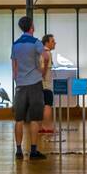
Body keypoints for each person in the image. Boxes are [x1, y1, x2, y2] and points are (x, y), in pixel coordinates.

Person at [10, 16, 47, 160]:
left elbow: (14, 65)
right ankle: (33, 150)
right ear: (31, 26)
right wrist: (41, 72)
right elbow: (45, 56)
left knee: (18, 119)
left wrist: (17, 79)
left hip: (20, 85)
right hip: (35, 83)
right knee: (34, 118)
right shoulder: (36, 42)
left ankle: (18, 150)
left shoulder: (16, 44)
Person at [39, 33, 56, 135]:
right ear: (46, 42)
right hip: (45, 84)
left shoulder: (39, 52)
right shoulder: (47, 53)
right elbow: (44, 69)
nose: (54, 43)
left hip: (38, 83)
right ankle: (47, 127)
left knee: (41, 105)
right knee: (47, 105)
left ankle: (41, 126)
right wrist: (44, 78)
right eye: (52, 41)